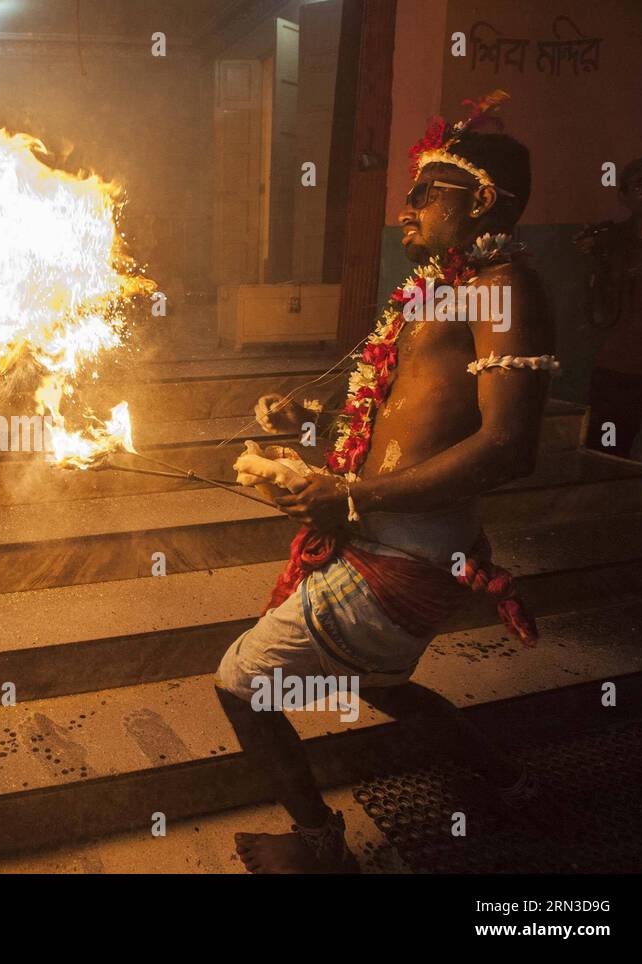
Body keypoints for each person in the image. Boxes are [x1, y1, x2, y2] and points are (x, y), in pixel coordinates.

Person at [216, 92, 556, 873]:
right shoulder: (438, 286)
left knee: (240, 683)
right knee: (387, 682)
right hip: (387, 531)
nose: (404, 207)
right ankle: (514, 783)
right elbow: (399, 391)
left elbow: (510, 446)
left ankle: (318, 848)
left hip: (408, 546)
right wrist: (308, 407)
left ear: (478, 201)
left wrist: (353, 496)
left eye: (423, 193)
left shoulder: (501, 288)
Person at [578, 155, 642, 465]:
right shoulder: (610, 240)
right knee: (607, 451)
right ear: (623, 195)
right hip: (618, 364)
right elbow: (596, 309)